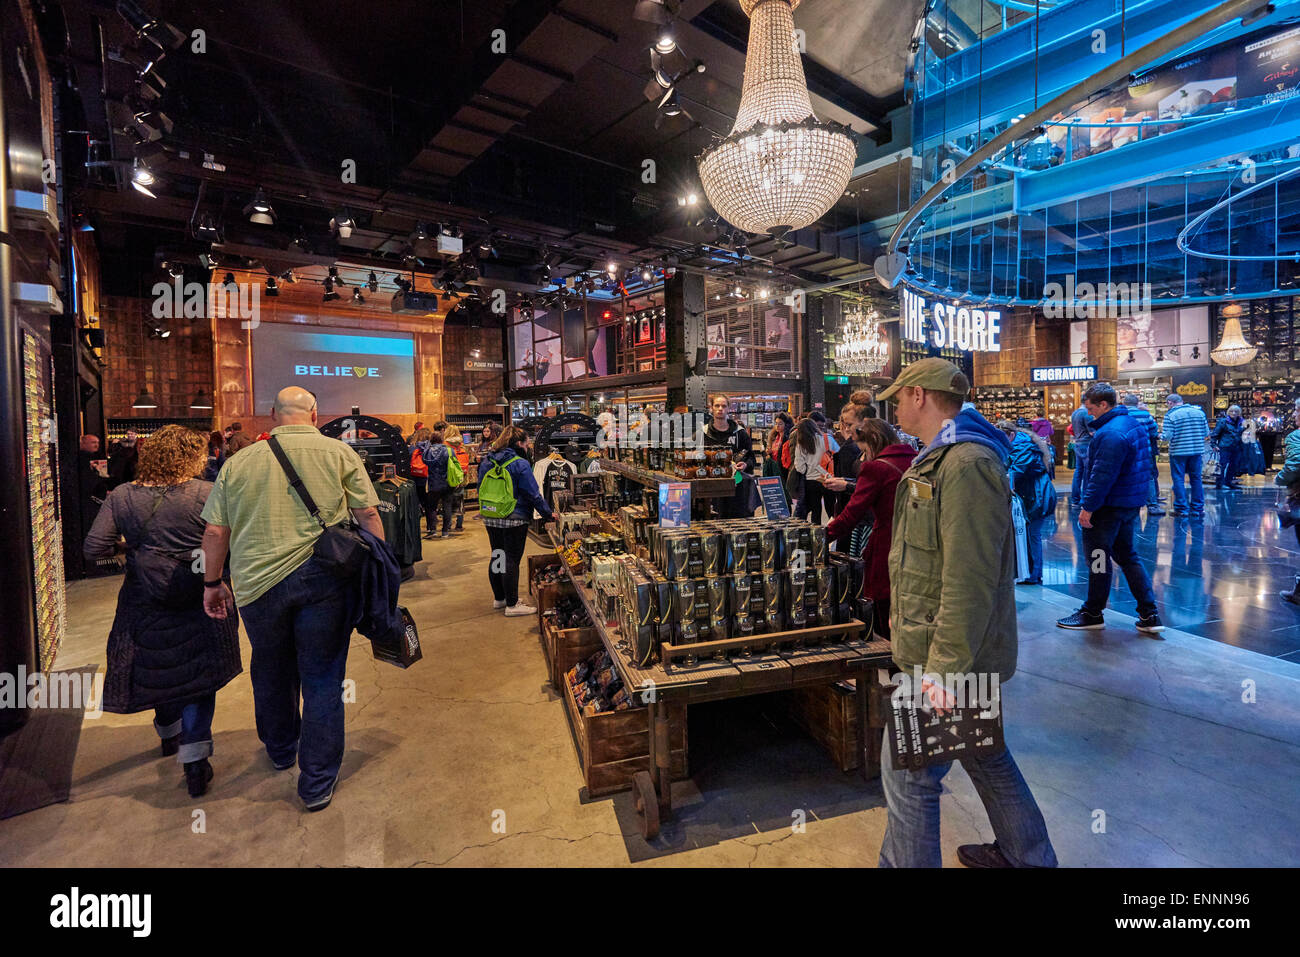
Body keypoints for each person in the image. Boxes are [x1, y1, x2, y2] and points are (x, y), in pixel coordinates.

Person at [876, 357, 1057, 869]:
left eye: (898, 395)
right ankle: (1029, 856)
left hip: (949, 657)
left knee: (909, 776)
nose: (893, 405)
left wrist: (945, 669)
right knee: (985, 757)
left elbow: (970, 576)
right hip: (944, 648)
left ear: (920, 396)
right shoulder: (942, 456)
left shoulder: (965, 463)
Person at [199, 386, 383, 811]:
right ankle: (316, 783)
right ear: (315, 414)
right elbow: (368, 514)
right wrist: (381, 570)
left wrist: (212, 583)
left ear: (272, 414)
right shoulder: (339, 454)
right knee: (322, 677)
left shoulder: (238, 462)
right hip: (325, 582)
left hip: (257, 586)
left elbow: (215, 531)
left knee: (270, 666)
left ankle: (281, 749)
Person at [83, 425, 242, 798]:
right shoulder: (206, 492)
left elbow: (94, 548)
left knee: (159, 665)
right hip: (201, 591)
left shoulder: (122, 496)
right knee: (199, 674)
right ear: (192, 457)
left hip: (143, 596)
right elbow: (226, 539)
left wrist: (135, 551)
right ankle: (195, 759)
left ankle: (168, 733)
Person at [1056, 383, 1164, 634]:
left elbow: (1101, 476)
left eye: (1091, 408)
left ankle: (1093, 612)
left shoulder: (1111, 433)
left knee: (1098, 559)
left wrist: (1088, 507)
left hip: (1107, 507)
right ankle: (1149, 614)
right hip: (1128, 504)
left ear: (1104, 405)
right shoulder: (1132, 425)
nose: (1088, 413)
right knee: (1127, 556)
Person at [823, 418, 915, 639]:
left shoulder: (875, 468)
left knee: (884, 608)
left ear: (872, 442)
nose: (862, 455)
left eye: (862, 448)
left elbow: (851, 515)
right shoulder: (914, 459)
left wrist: (821, 538)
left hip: (886, 544)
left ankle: (894, 665)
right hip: (914, 541)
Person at [480, 426, 554, 616]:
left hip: (492, 515)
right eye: (527, 443)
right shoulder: (520, 464)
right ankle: (512, 605)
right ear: (519, 443)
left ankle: (500, 598)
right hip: (515, 517)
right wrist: (547, 514)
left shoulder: (487, 460)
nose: (528, 446)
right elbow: (532, 494)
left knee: (498, 555)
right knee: (511, 560)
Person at [997, 420, 1055, 585]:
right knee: (1029, 534)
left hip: (1037, 496)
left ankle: (1033, 574)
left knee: (1032, 535)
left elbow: (1015, 471)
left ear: (1012, 435)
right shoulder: (1019, 444)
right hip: (1032, 495)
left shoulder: (1023, 447)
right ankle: (1029, 572)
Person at [704, 394, 757, 518]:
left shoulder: (740, 433)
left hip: (737, 489)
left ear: (729, 408)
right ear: (711, 408)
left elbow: (751, 458)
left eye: (724, 406)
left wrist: (745, 464)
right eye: (717, 405)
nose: (720, 409)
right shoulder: (703, 433)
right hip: (712, 489)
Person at [1161, 394, 1208, 517]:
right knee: (1196, 479)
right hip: (1197, 451)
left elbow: (1167, 437)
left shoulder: (1170, 415)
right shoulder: (1199, 413)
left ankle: (1181, 509)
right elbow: (1206, 433)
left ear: (1170, 402)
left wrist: (1159, 436)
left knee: (1178, 479)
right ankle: (1198, 508)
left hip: (1178, 452)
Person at [1122, 394, 1164, 515]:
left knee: (1127, 476)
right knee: (1149, 477)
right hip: (1145, 450)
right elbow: (1153, 432)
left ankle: (1130, 503)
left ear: (1124, 403)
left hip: (1127, 451)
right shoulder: (1146, 415)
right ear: (1137, 403)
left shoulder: (1121, 415)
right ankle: (1152, 506)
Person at [1275, 405, 1300, 604]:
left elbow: (1295, 464)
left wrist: (1280, 479)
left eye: (1297, 411)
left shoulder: (1296, 436)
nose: (1293, 414)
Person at [791, 418, 832, 523]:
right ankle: (835, 532)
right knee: (831, 509)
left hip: (812, 480)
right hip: (828, 478)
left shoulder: (801, 444)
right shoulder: (826, 439)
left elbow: (799, 467)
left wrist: (806, 469)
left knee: (815, 510)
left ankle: (817, 535)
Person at [421, 430, 455, 539]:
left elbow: (424, 461)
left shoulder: (427, 452)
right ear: (442, 439)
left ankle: (433, 530)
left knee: (431, 507)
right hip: (447, 482)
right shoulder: (449, 450)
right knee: (447, 507)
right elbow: (455, 464)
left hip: (433, 483)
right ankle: (445, 532)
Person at [1212, 405, 1246, 490]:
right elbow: (1215, 434)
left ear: (1239, 413)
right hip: (1225, 447)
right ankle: (1220, 483)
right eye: (1232, 411)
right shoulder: (1223, 421)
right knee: (1223, 465)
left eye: (1236, 412)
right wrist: (1213, 445)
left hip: (1237, 447)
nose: (1234, 413)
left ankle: (1229, 482)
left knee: (1233, 465)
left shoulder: (1242, 422)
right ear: (1228, 412)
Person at [445, 424, 471, 533]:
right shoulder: (462, 445)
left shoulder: (445, 445)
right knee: (460, 500)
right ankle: (459, 525)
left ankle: (448, 525)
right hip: (461, 477)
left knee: (447, 501)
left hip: (449, 476)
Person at [1069, 402, 1094, 508]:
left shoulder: (1075, 413)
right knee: (1087, 472)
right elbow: (1092, 432)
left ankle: (1075, 499)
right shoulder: (1086, 413)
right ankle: (1085, 500)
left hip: (1078, 443)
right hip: (1086, 444)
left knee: (1078, 472)